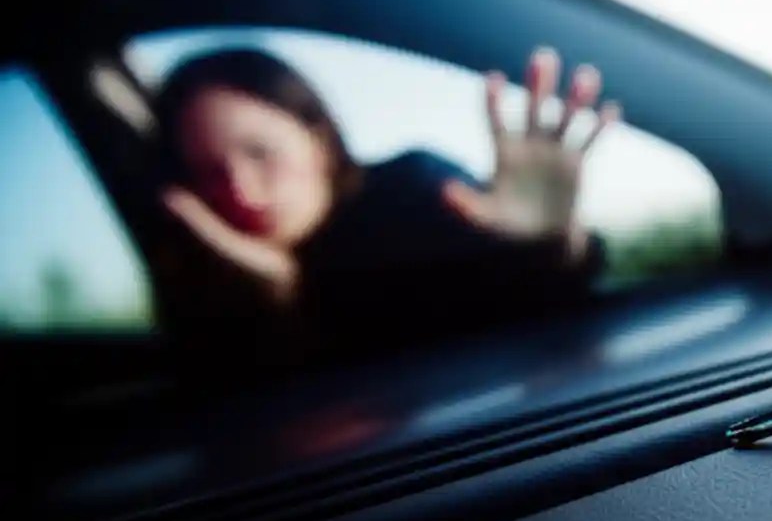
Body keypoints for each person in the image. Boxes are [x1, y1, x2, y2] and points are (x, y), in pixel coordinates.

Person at [148, 45, 621, 371]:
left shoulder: (415, 193)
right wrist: (273, 300)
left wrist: (550, 244)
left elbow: (547, 299)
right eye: (209, 173)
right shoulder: (211, 280)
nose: (243, 192)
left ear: (318, 137)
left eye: (260, 153)